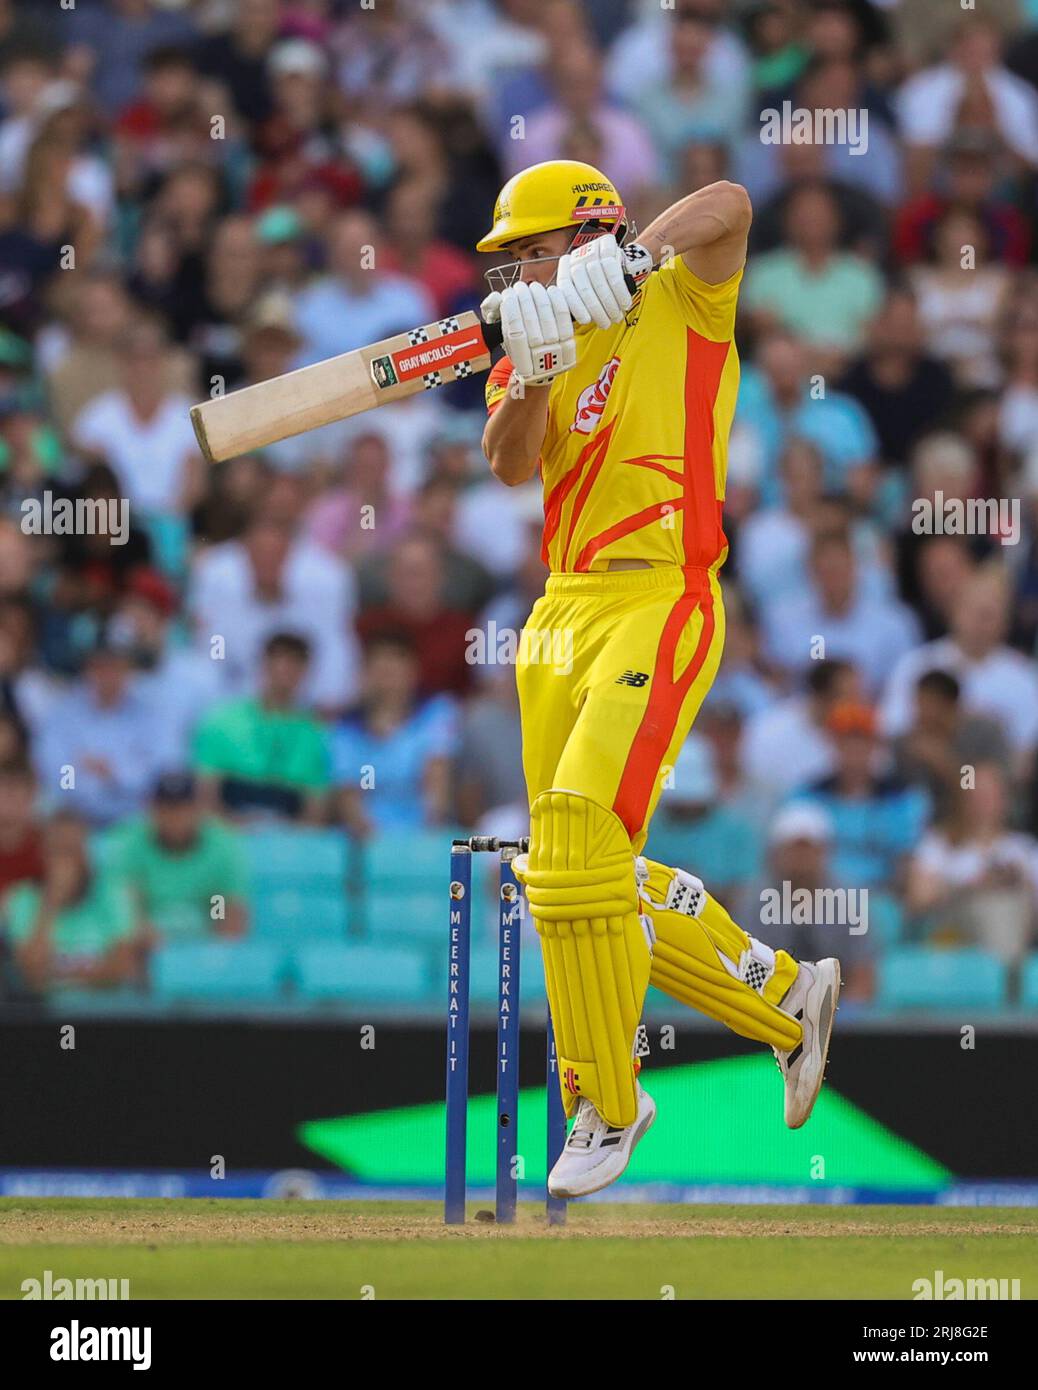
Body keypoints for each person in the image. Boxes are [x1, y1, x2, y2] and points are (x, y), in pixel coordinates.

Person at [477, 155, 840, 1203]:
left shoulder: (682, 292)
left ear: (589, 232)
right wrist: (537, 366)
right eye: (511, 260)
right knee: (568, 874)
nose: (519, 273)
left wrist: (633, 262)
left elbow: (731, 205)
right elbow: (510, 462)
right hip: (559, 610)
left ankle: (609, 1099)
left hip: (661, 591)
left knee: (583, 832)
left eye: (535, 252)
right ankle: (784, 997)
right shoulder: (529, 335)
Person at [107, 771, 249, 943]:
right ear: (152, 810)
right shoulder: (132, 843)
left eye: (183, 808)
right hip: (148, 943)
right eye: (167, 808)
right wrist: (146, 933)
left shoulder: (220, 845)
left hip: (205, 940)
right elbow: (128, 903)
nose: (175, 817)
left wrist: (214, 953)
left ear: (197, 809)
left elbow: (227, 905)